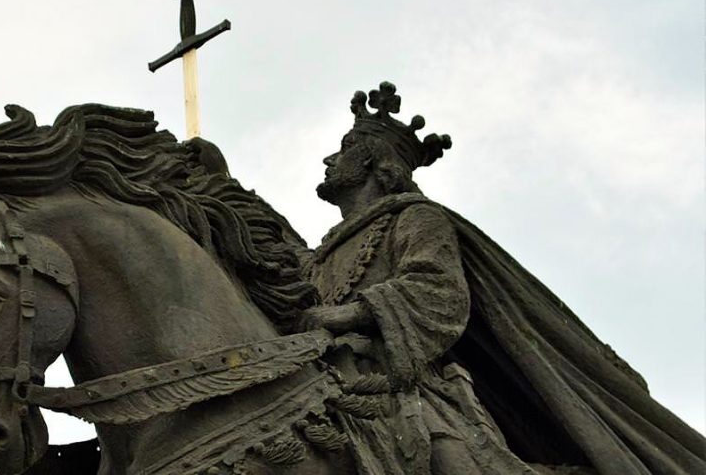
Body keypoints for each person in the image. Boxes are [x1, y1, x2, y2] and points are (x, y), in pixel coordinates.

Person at [299, 82, 706, 474]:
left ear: (373, 162)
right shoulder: (318, 258)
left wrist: (352, 315)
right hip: (323, 373)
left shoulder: (415, 217)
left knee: (447, 462)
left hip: (402, 393)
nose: (329, 160)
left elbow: (438, 291)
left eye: (346, 149)